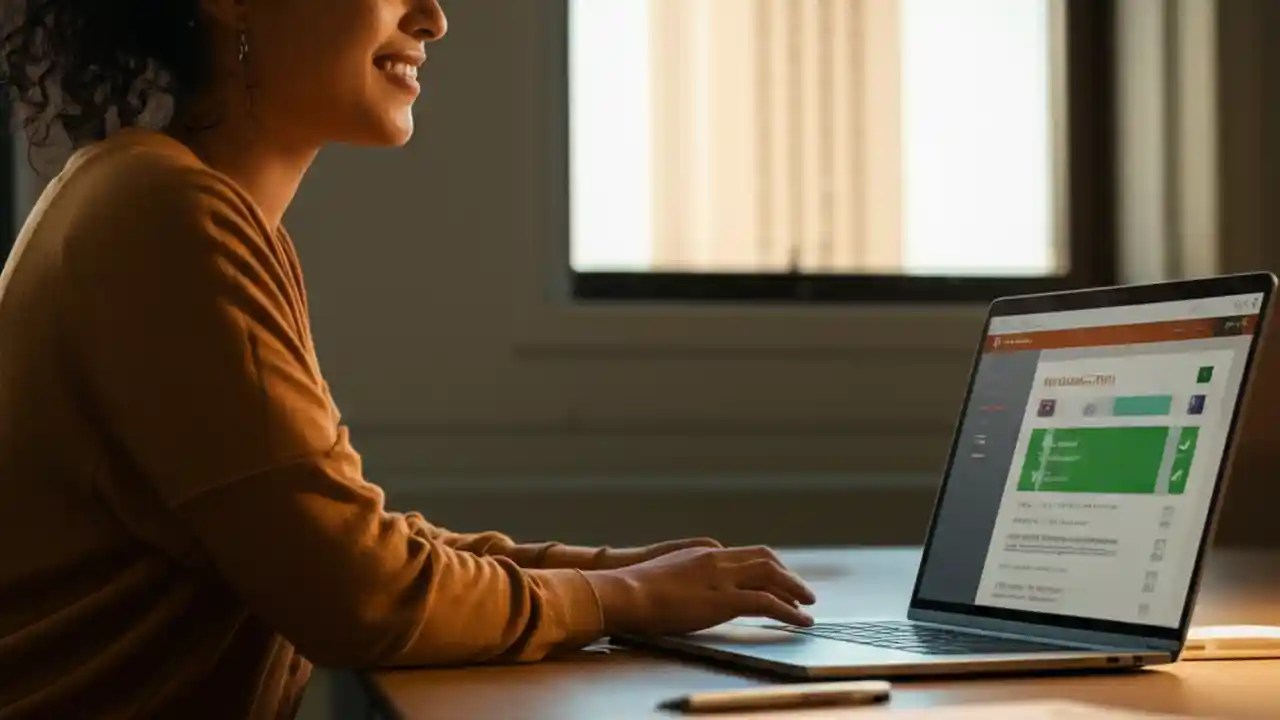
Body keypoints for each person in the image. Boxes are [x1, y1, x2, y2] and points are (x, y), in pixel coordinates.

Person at [0, 1, 816, 717]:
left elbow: (349, 542)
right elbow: (361, 596)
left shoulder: (161, 198)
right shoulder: (167, 217)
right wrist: (620, 597)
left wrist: (622, 573)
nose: (433, 17)